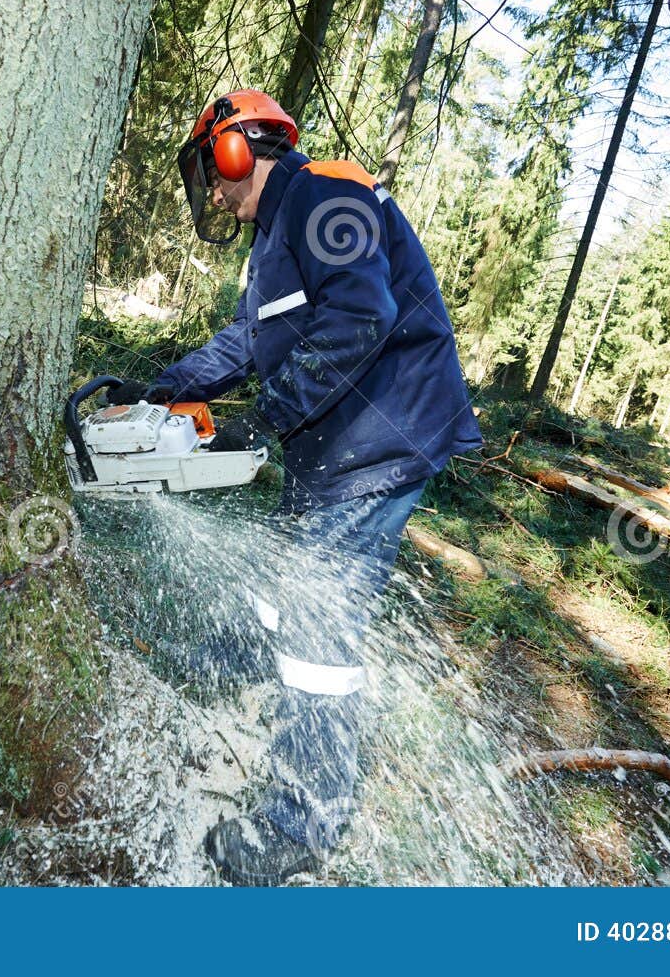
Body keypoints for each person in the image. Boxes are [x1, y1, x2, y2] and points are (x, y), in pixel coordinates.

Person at [109, 89, 482, 885]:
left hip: (382, 439)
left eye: (211, 173)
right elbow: (250, 340)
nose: (212, 193)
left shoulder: (325, 193)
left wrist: (264, 418)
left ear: (239, 148)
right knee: (285, 575)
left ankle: (303, 822)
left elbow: (360, 316)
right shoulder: (277, 236)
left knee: (319, 623)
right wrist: (166, 387)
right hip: (336, 445)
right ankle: (236, 660)